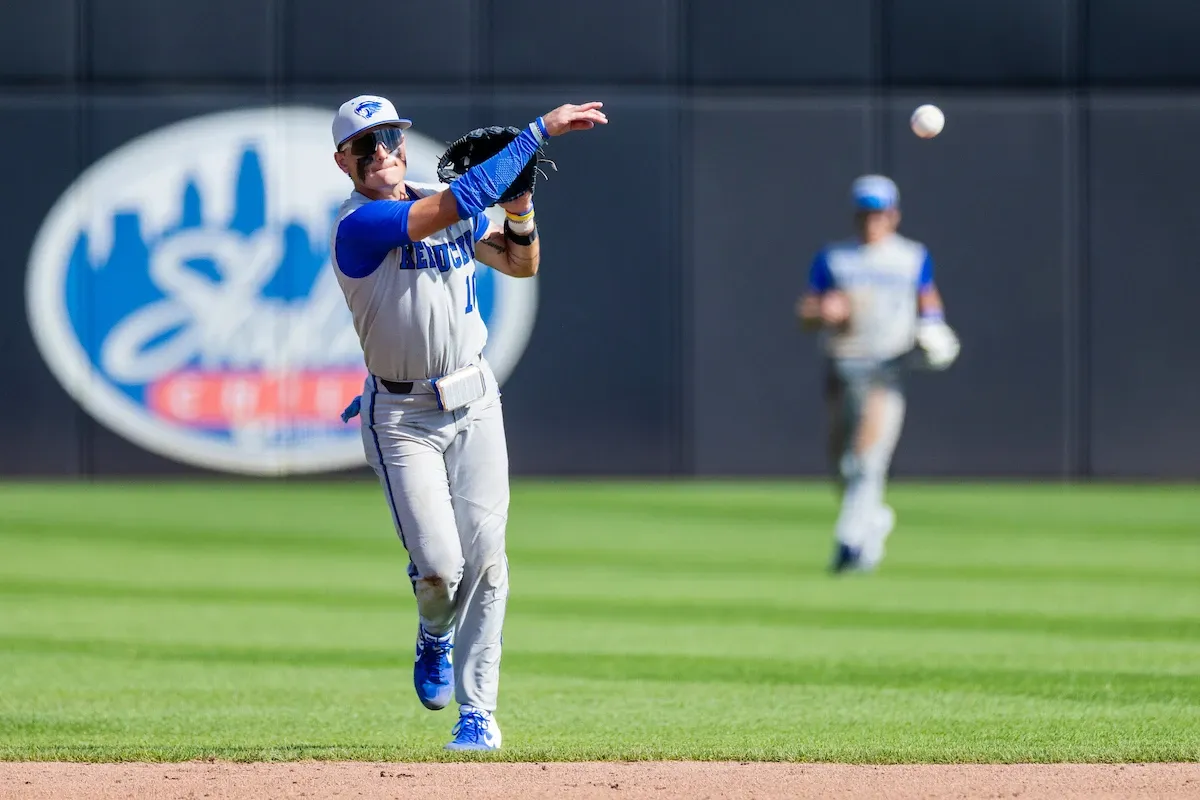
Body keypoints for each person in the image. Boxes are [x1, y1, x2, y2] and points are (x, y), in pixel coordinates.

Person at [328, 94, 607, 750]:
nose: (380, 154)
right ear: (342, 160)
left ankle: (477, 712)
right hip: (401, 417)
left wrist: (521, 207)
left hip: (476, 398)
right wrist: (537, 133)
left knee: (487, 559)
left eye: (388, 138)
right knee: (440, 571)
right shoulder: (358, 224)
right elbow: (452, 207)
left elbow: (520, 261)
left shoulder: (440, 195)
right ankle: (433, 631)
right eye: (363, 146)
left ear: (403, 142)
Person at [795, 175, 959, 574]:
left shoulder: (911, 257)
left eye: (880, 214)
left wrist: (934, 330)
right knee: (842, 466)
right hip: (842, 366)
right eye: (866, 214)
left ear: (894, 215)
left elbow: (928, 301)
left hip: (885, 368)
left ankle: (850, 544)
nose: (873, 222)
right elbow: (805, 312)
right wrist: (822, 312)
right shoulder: (836, 258)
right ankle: (873, 520)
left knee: (867, 460)